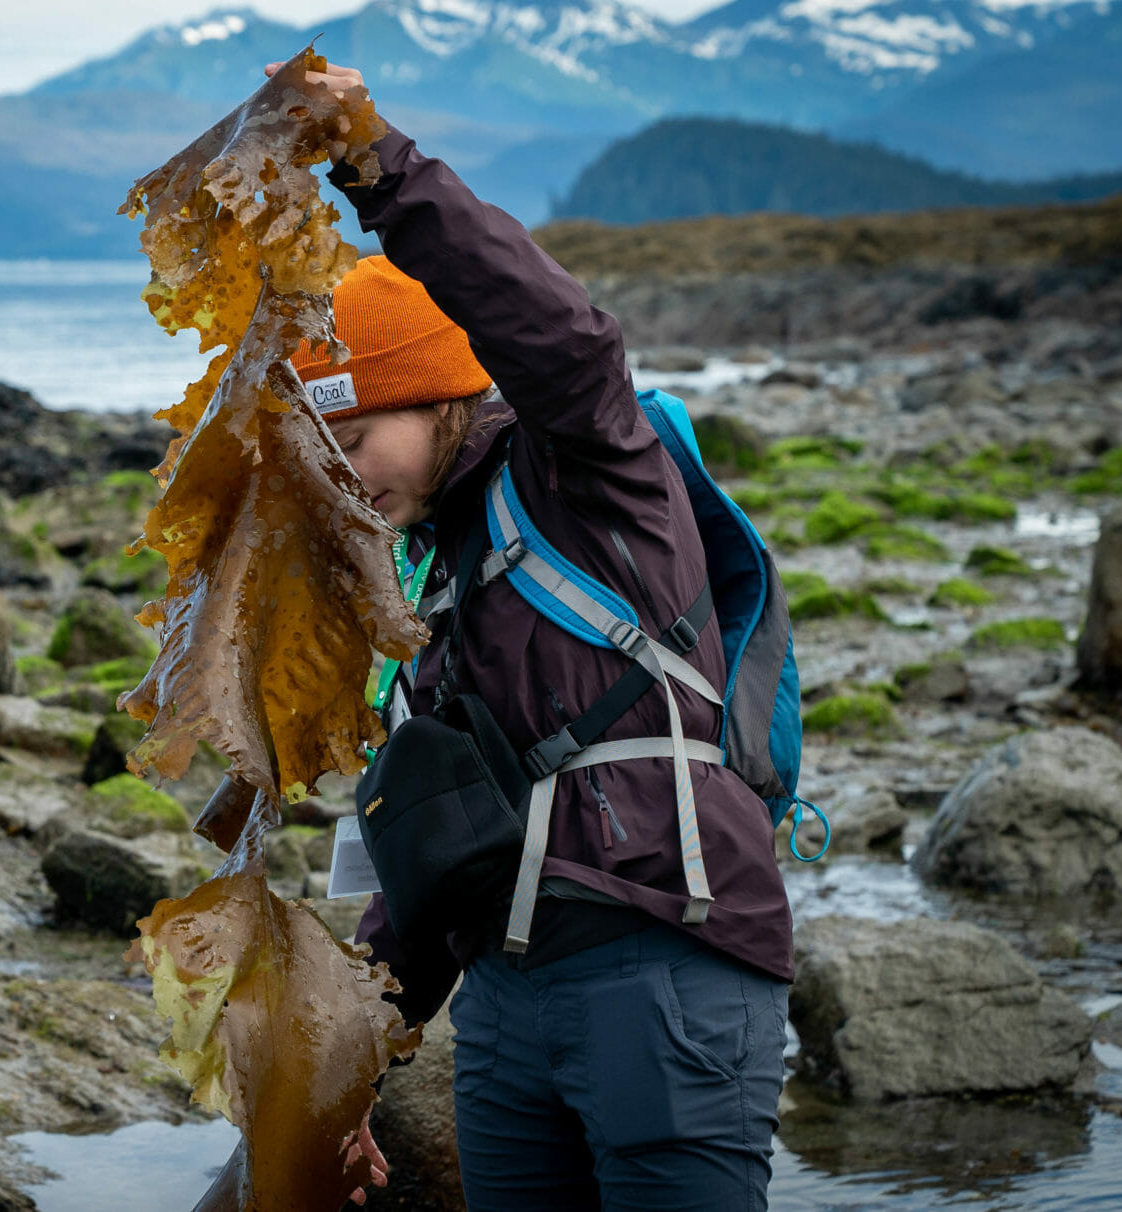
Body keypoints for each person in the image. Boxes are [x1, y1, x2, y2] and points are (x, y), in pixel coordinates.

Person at [264, 61, 795, 1211]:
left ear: (439, 395)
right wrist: (353, 1071)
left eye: (353, 443)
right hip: (502, 1010)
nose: (342, 485)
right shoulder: (425, 574)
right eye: (320, 458)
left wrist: (376, 163)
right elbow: (427, 853)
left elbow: (560, 337)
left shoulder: (588, 475)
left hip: (664, 969)